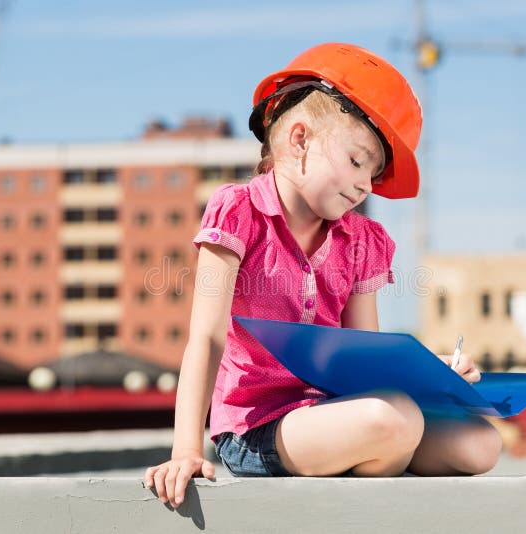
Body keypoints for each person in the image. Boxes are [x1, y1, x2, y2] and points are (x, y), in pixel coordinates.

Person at [144, 42, 502, 507]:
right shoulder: (238, 212)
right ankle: (377, 453)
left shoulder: (361, 240)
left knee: (479, 443)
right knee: (394, 422)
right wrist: (186, 450)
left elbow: (366, 361)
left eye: (373, 174)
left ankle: (373, 452)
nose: (364, 185)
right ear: (299, 141)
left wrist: (439, 381)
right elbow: (206, 338)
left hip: (336, 411)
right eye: (357, 161)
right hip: (259, 427)